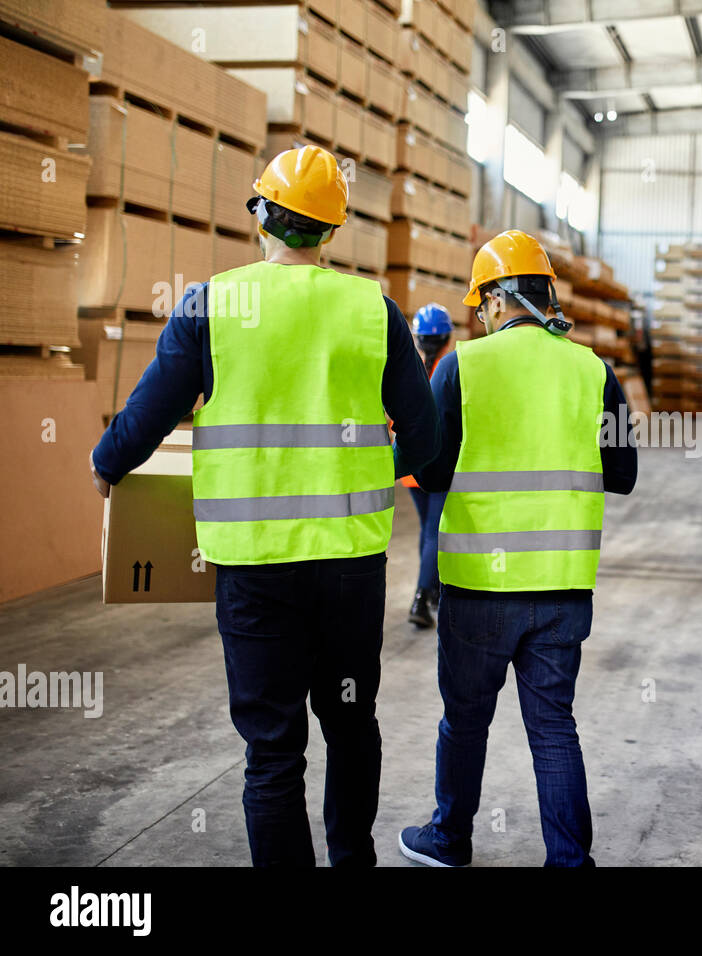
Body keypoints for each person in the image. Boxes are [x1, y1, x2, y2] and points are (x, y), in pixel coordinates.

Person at [89, 145, 442, 867]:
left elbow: (149, 414)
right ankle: (352, 859)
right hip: (349, 561)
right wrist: (378, 470)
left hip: (254, 568)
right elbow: (428, 439)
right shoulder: (372, 309)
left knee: (273, 747)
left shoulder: (211, 304)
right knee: (350, 724)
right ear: (332, 231)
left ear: (261, 217)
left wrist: (107, 465)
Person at [398, 230, 637, 868]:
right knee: (554, 729)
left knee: (464, 722)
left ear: (500, 301)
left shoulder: (461, 367)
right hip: (562, 588)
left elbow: (430, 472)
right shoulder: (594, 371)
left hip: (479, 588)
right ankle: (569, 861)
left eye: (481, 307)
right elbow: (623, 474)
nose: (478, 319)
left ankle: (449, 840)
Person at [402, 303, 455, 628]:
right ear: (447, 338)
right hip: (438, 466)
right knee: (436, 531)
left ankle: (432, 590)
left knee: (427, 528)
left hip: (412, 469)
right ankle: (422, 598)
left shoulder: (409, 369)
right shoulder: (450, 371)